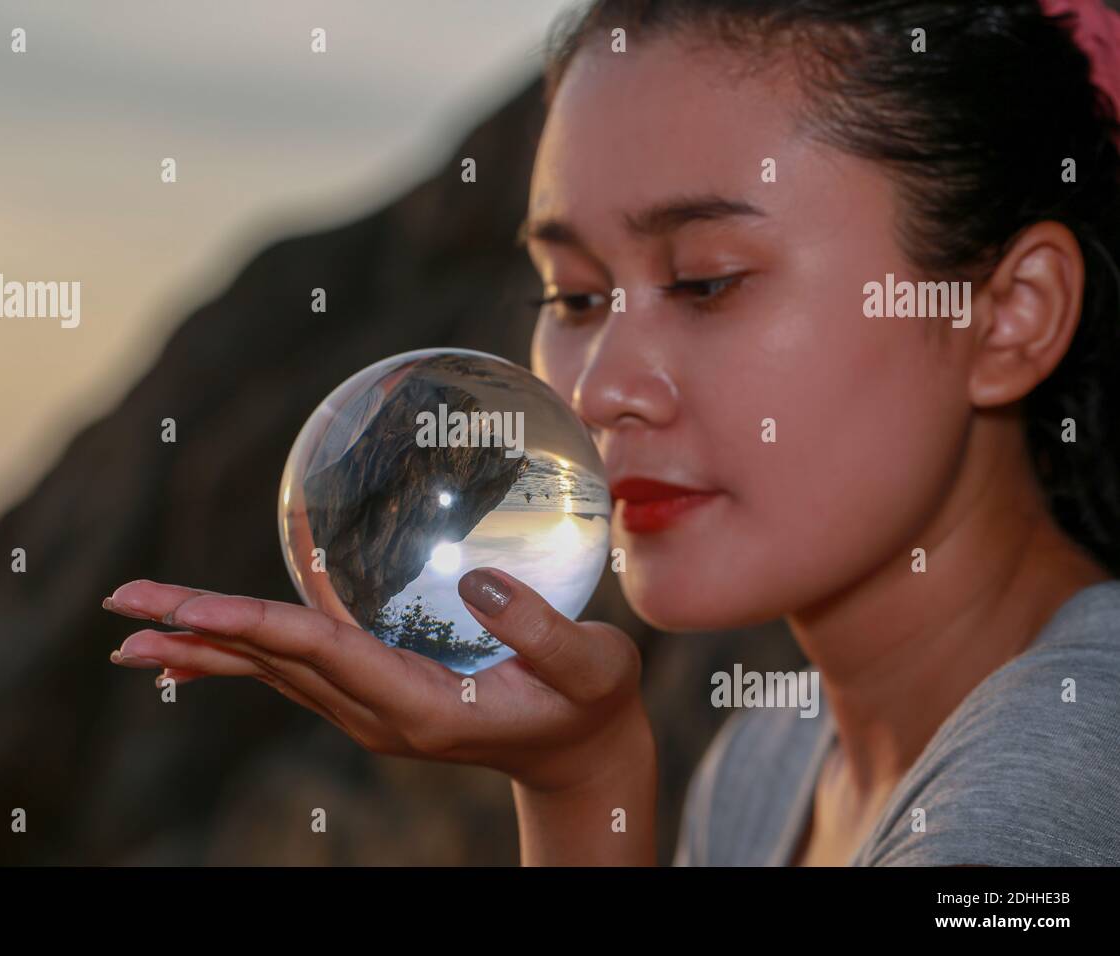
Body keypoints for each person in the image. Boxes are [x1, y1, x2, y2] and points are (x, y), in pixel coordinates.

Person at [101, 0, 1120, 866]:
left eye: (706, 280)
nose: (596, 390)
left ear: (1008, 314)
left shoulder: (1041, 795)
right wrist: (579, 774)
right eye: (575, 295)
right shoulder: (772, 756)